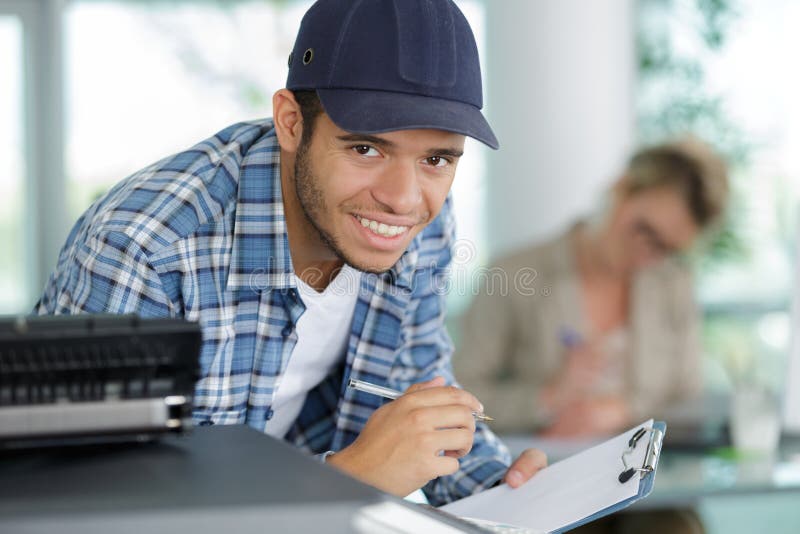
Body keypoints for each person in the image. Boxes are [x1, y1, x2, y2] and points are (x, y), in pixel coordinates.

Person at [34, 0, 546, 506]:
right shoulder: (147, 249)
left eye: (436, 159)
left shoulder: (416, 223)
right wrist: (348, 480)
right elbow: (94, 500)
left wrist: (504, 491)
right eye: (366, 149)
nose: (404, 199)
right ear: (291, 122)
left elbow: (416, 389)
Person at [455, 139, 728, 438]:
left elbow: (689, 399)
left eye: (667, 249)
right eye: (645, 229)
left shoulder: (673, 285)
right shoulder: (513, 274)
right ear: (621, 188)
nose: (646, 254)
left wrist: (626, 412)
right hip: (540, 461)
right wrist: (545, 399)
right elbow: (460, 397)